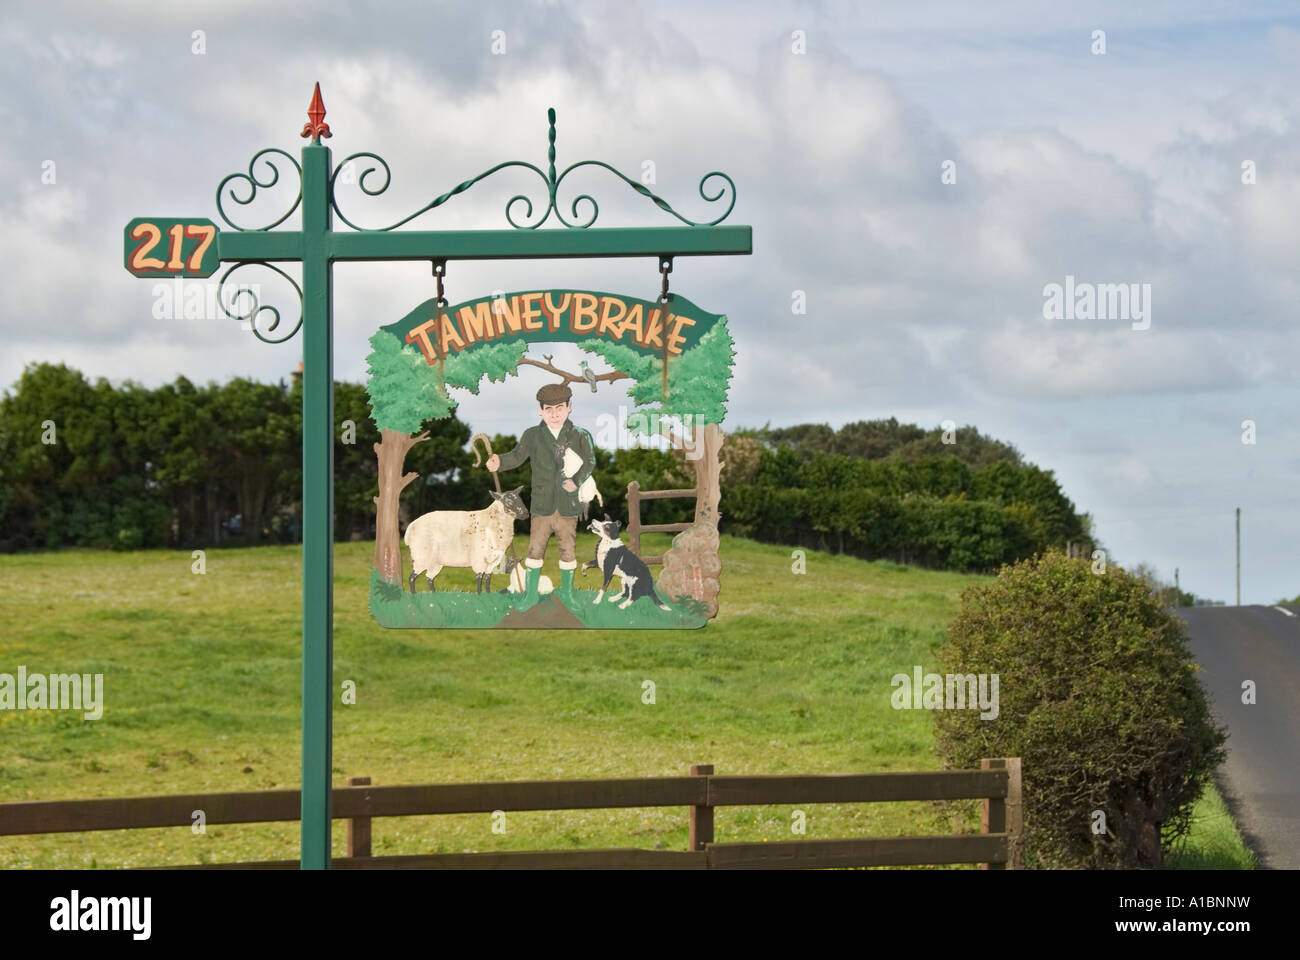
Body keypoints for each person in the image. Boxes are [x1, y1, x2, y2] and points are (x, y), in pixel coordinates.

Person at [486, 383, 596, 603]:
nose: (554, 414)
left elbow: (590, 462)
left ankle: (568, 595)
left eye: (559, 408)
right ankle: (531, 596)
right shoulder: (532, 435)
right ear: (540, 410)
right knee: (535, 550)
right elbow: (517, 456)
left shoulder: (581, 435)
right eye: (549, 409)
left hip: (567, 506)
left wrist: (576, 481)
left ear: (569, 408)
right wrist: (499, 461)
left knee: (568, 550)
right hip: (541, 506)